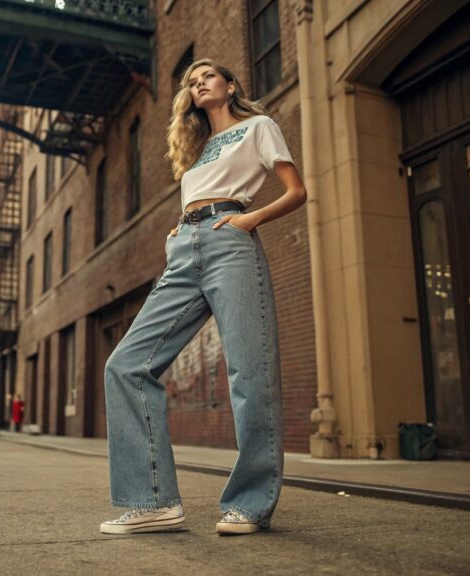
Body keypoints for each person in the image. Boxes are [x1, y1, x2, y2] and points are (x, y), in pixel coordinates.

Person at [100, 58, 307, 536]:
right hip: (185, 249)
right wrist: (178, 232)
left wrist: (248, 220)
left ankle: (250, 504)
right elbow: (195, 197)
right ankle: (153, 503)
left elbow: (296, 191)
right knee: (126, 365)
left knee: (248, 372)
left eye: (207, 77)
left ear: (230, 84)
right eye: (192, 82)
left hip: (231, 241)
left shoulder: (258, 127)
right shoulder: (197, 150)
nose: (198, 84)